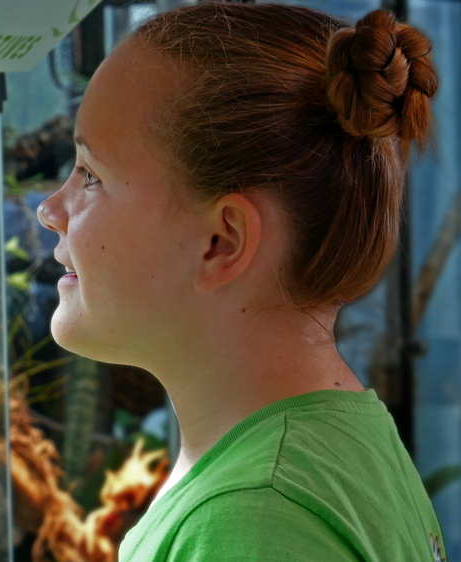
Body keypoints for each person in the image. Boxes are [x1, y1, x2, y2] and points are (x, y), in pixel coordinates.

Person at [36, 3, 444, 561]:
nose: (49, 209)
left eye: (91, 175)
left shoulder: (253, 520)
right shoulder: (336, 441)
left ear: (220, 242)